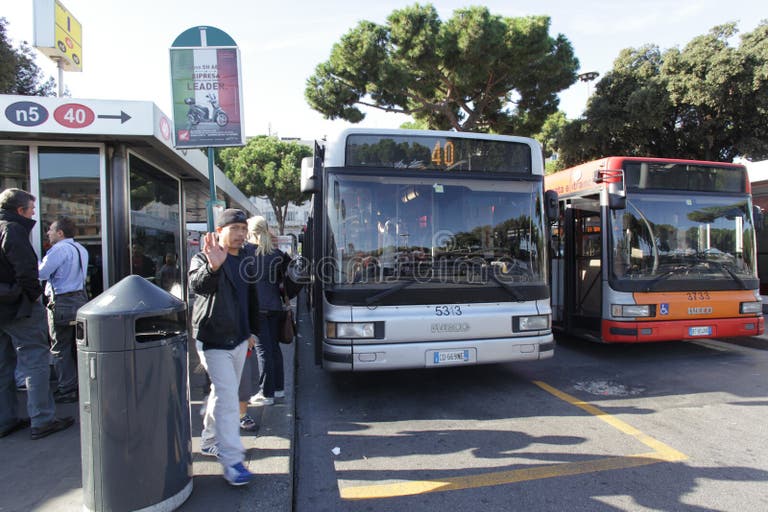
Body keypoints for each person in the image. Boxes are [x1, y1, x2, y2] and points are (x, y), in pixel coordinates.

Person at [189, 208, 259, 486]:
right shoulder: (204, 257)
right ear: (219, 232)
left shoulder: (246, 258)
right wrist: (212, 267)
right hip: (213, 339)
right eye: (235, 229)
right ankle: (232, 461)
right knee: (230, 398)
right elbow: (198, 285)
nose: (241, 234)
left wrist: (253, 330)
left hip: (240, 337)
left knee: (223, 391)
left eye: (244, 229)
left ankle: (208, 439)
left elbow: (251, 296)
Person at [0, 188, 74, 440]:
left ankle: (5, 419)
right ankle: (42, 418)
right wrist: (33, 297)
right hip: (18, 307)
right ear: (20, 210)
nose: (34, 215)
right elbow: (27, 271)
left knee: (3, 364)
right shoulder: (13, 230)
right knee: (35, 360)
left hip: (5, 307)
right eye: (31, 210)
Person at [38, 216, 89, 404]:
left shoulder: (59, 250)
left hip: (62, 300)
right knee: (79, 345)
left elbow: (41, 272)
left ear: (60, 233)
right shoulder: (80, 249)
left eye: (51, 230)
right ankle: (80, 383)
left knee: (60, 347)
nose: (48, 233)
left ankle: (67, 387)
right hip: (80, 299)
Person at [245, 216, 288, 407]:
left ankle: (266, 393)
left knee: (263, 350)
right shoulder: (278, 254)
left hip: (258, 307)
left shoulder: (246, 252)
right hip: (275, 307)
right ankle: (279, 389)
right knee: (274, 349)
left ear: (250, 232)